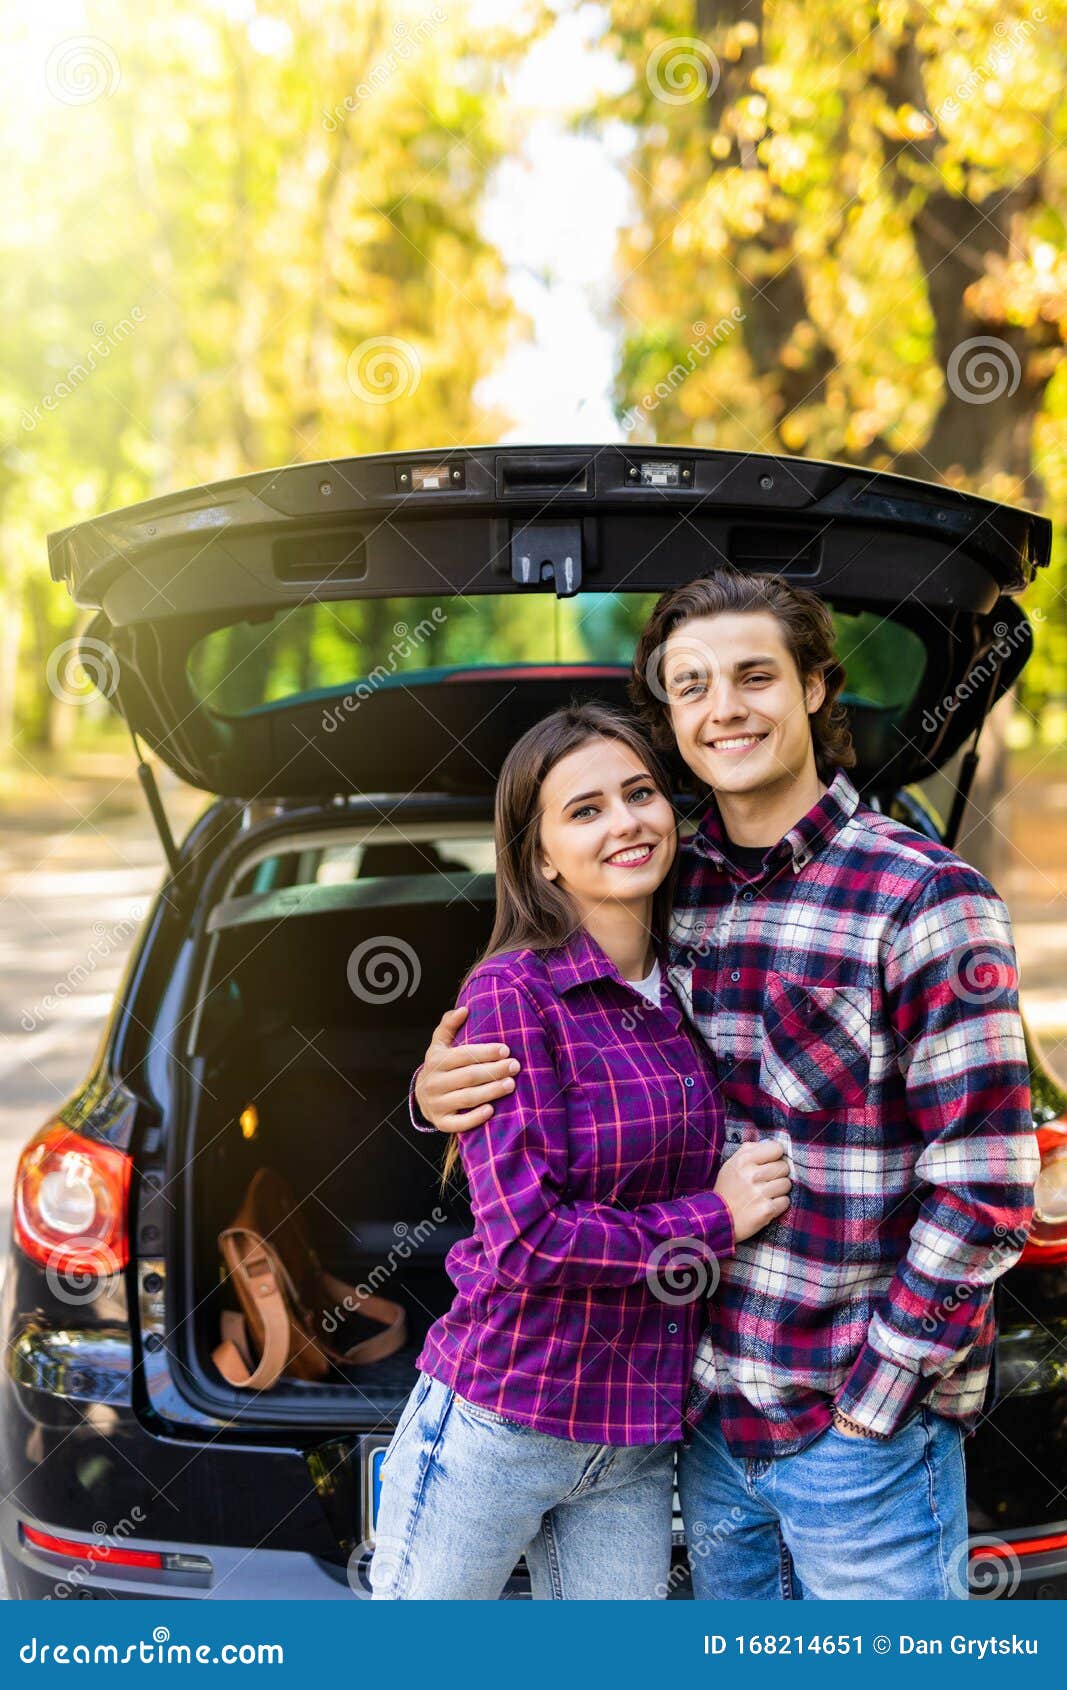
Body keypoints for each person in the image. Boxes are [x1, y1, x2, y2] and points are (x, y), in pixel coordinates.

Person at [410, 567, 1038, 1601]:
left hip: (851, 1434)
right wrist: (436, 1092)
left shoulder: (923, 895)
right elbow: (551, 1018)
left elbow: (983, 1189)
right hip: (692, 1423)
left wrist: (871, 1403)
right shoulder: (666, 878)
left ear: (816, 689)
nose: (722, 707)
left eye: (753, 675)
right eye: (690, 683)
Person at [370, 703, 791, 1601]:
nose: (626, 821)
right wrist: (714, 1219)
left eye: (640, 794)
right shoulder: (514, 994)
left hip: (634, 1435)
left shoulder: (692, 985)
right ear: (540, 855)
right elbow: (528, 1241)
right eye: (585, 809)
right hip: (502, 1418)